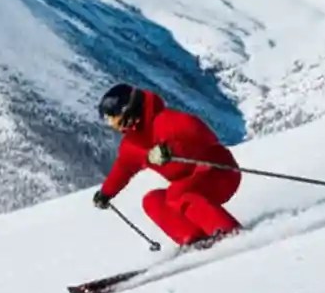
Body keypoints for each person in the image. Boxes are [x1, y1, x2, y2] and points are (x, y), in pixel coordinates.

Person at [92, 83, 244, 248]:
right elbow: (123, 168)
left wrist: (172, 149)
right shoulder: (133, 144)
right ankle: (193, 238)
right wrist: (106, 193)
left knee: (178, 193)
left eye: (112, 118)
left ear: (126, 110)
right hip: (190, 183)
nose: (113, 125)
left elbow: (204, 134)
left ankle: (229, 232)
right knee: (153, 200)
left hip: (219, 172)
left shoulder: (166, 121)